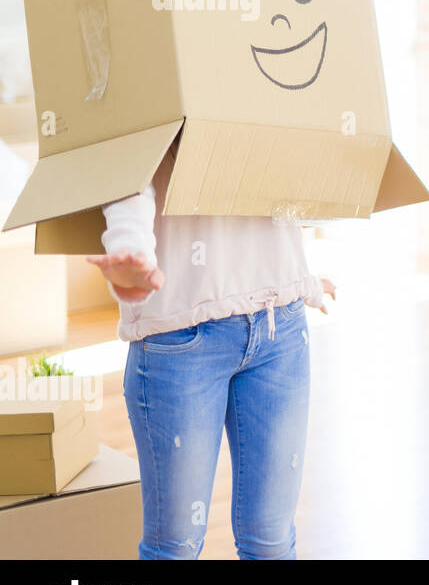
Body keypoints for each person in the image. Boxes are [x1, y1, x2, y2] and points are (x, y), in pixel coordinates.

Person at [87, 144, 336, 559]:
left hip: (281, 326)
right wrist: (130, 251)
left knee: (272, 543)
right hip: (180, 334)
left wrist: (298, 277)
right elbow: (130, 153)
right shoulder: (160, 80)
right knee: (175, 548)